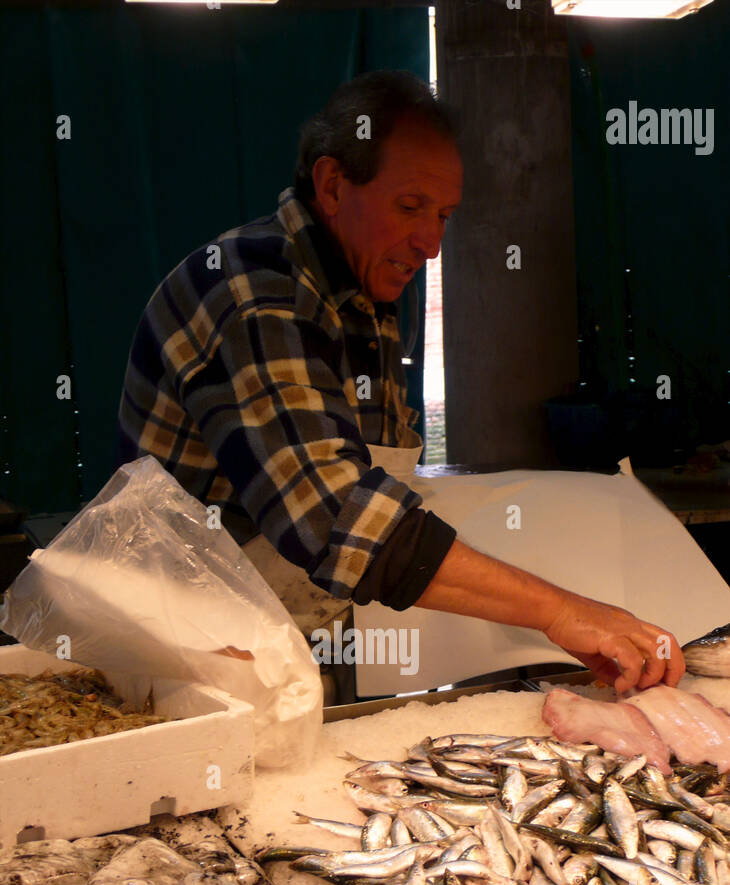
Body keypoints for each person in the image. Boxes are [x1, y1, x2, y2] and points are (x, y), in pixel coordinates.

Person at [117, 70, 684, 695]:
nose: (432, 244)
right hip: (182, 661)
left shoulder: (365, 291)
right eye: (410, 207)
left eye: (444, 215)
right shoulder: (254, 293)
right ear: (332, 186)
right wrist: (559, 610)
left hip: (285, 640)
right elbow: (335, 516)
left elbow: (381, 479)